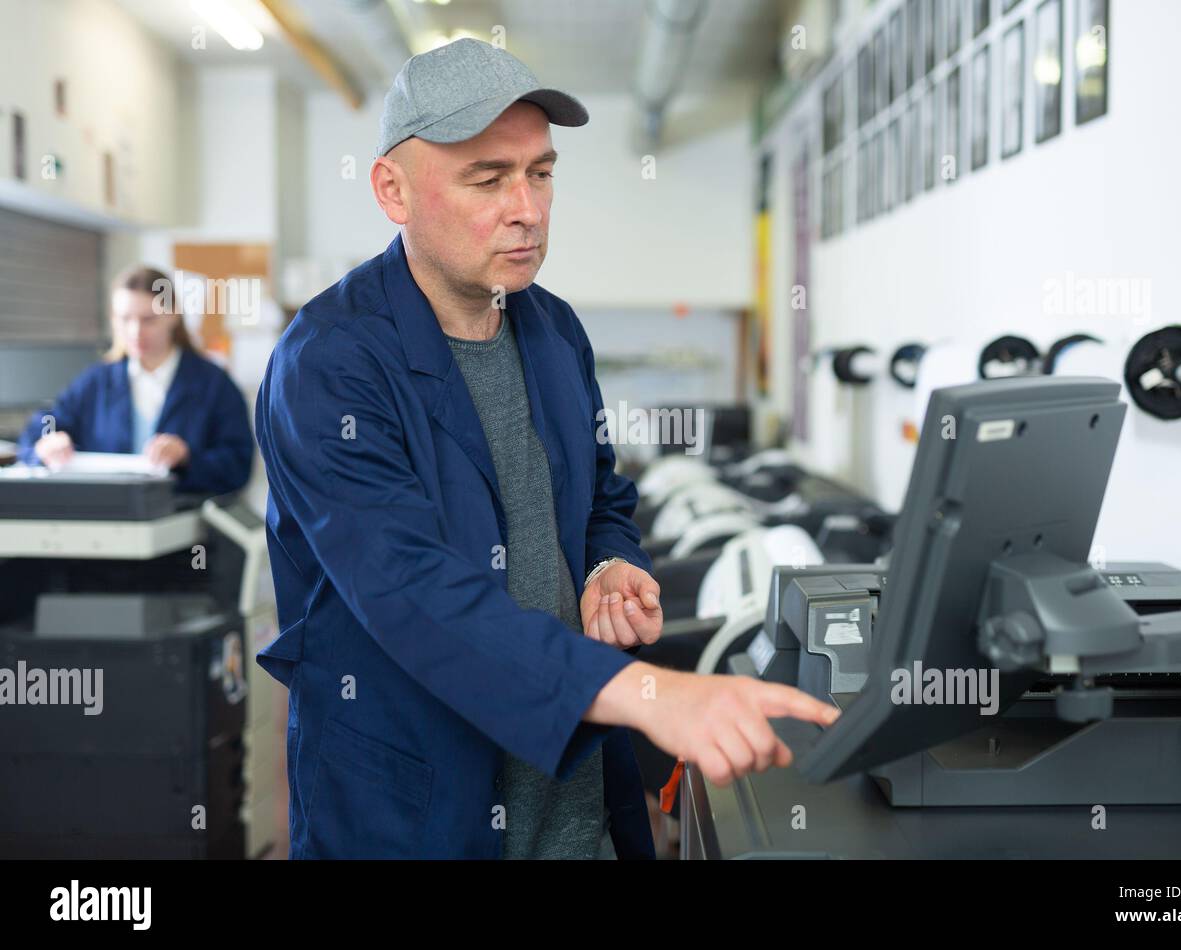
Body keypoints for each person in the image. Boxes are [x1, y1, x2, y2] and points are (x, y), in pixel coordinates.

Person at [254, 38, 840, 860]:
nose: (526, 207)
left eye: (541, 173)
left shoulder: (554, 327)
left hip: (573, 805)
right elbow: (415, 594)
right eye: (487, 179)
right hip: (419, 811)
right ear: (392, 189)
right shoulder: (330, 364)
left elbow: (600, 492)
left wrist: (607, 563)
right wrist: (650, 693)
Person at [17, 265, 254, 496]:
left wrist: (187, 456)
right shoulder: (96, 381)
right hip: (108, 514)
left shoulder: (214, 384)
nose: (135, 331)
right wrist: (47, 441)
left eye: (148, 319)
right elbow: (45, 422)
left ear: (173, 316)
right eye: (124, 319)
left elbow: (238, 464)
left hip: (182, 519)